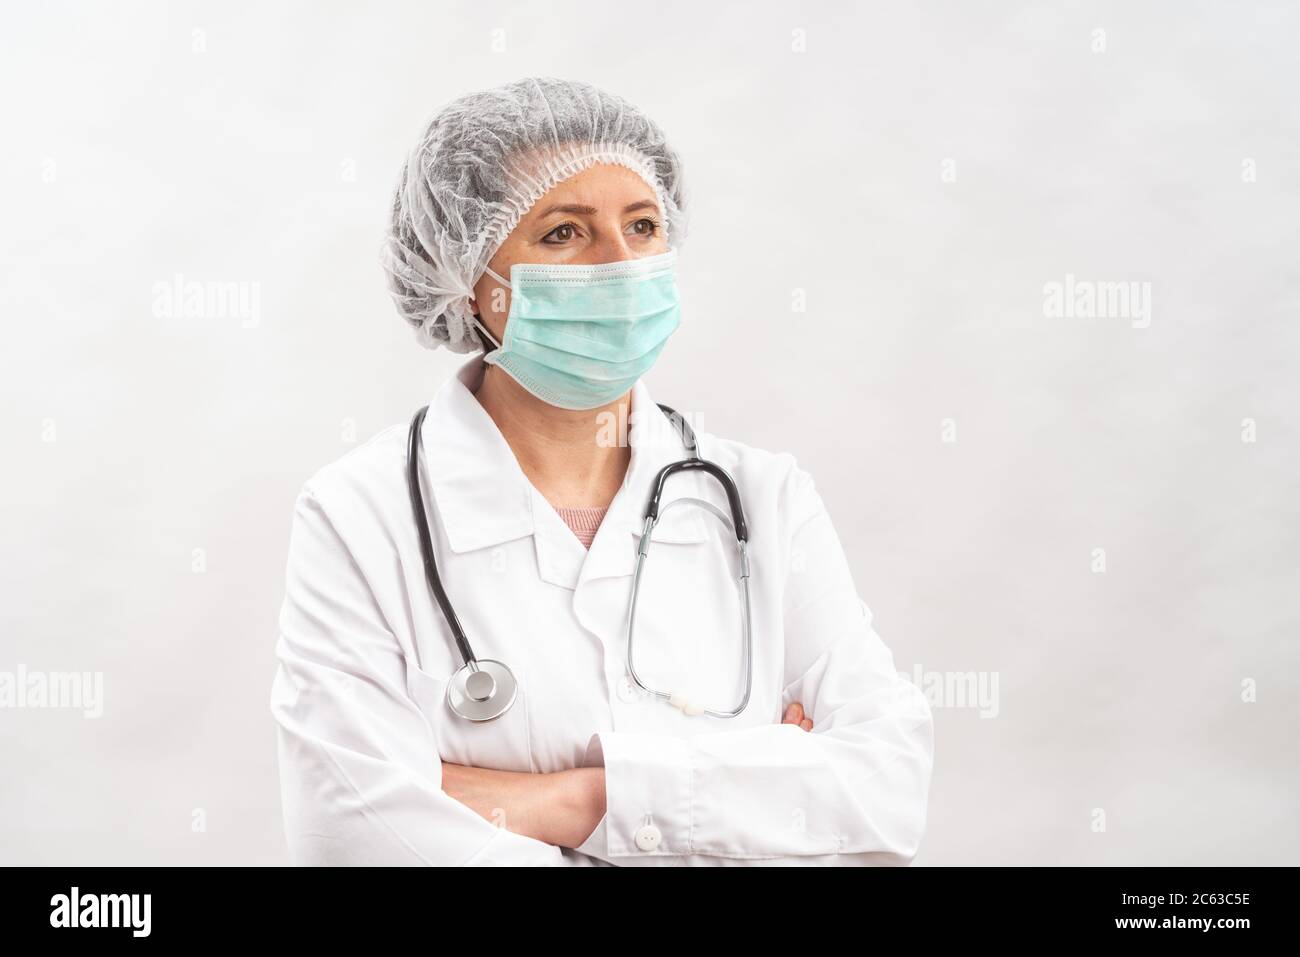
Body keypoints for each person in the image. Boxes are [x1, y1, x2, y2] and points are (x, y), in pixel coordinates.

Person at [270, 76, 933, 866]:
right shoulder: (359, 515)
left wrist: (573, 798)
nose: (621, 264)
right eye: (563, 233)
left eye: (643, 225)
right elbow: (355, 834)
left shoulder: (767, 497)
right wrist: (748, 792)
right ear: (471, 279)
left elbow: (883, 794)